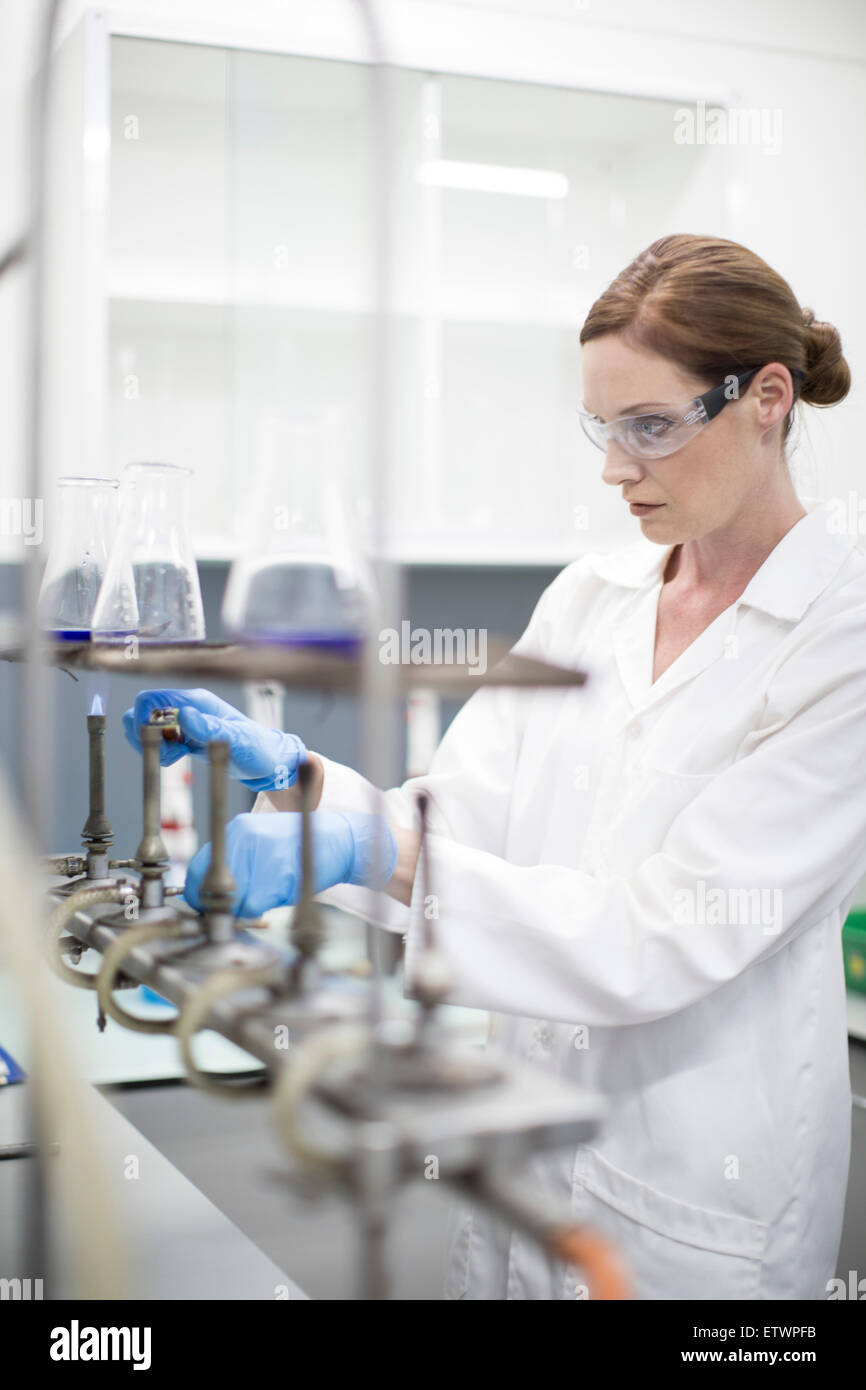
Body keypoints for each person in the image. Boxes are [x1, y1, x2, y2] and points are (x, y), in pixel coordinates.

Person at [124, 234, 866, 1300]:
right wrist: (309, 794)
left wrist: (378, 846)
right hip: (523, 1168)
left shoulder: (837, 637)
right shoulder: (590, 592)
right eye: (601, 428)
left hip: (698, 1229)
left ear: (765, 397)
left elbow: (658, 935)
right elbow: (460, 820)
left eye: (649, 427)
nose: (614, 469)